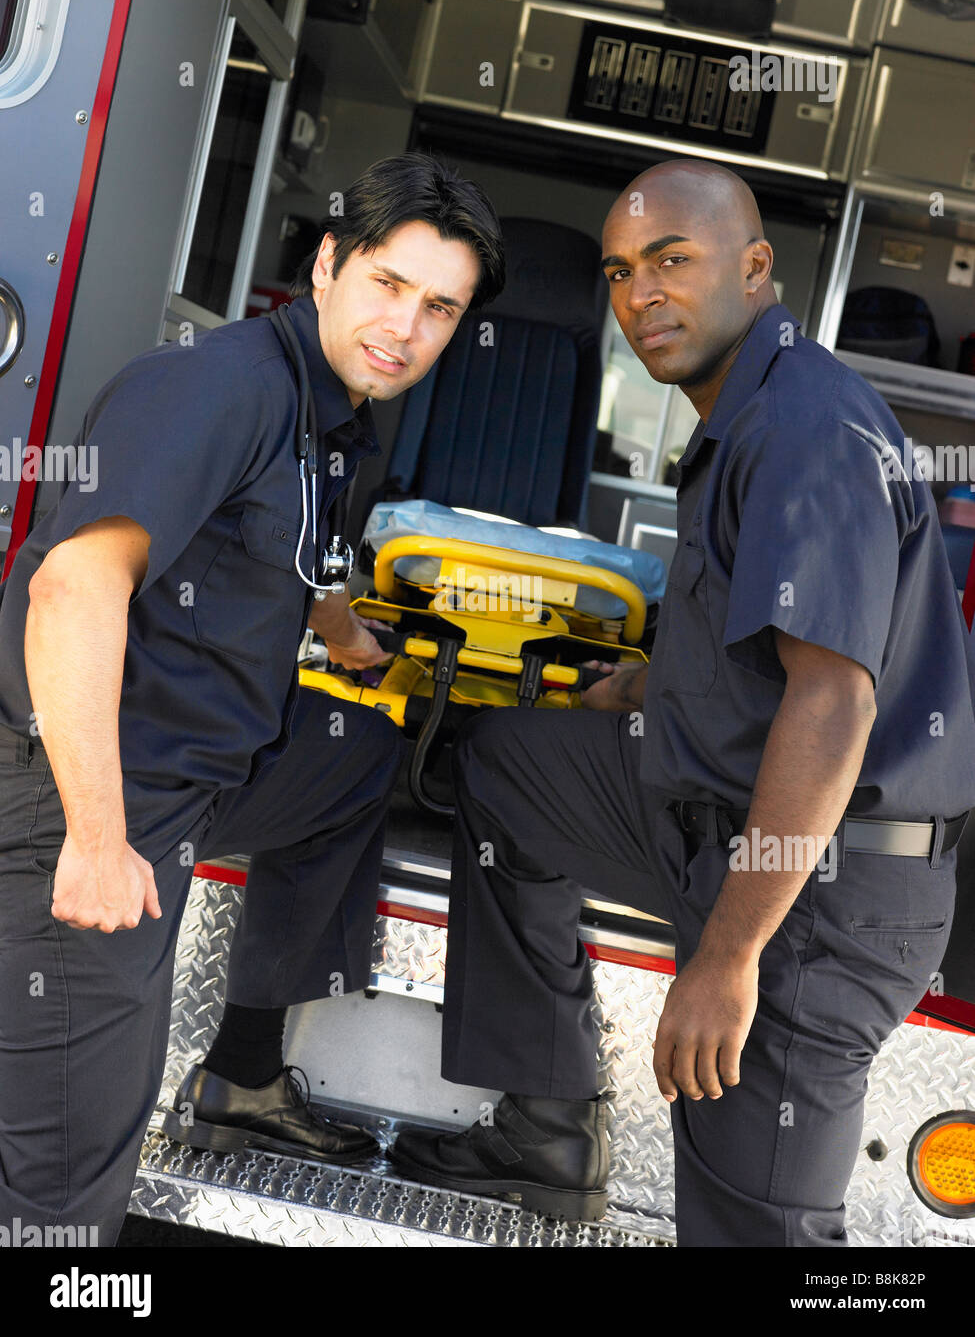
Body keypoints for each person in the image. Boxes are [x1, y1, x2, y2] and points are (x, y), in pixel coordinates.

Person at [387, 158, 975, 1245]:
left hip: (822, 889)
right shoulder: (751, 411)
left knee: (757, 1230)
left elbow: (833, 703)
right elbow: (760, 644)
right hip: (708, 810)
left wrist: (725, 960)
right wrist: (648, 683)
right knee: (508, 761)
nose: (638, 293)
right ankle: (548, 1119)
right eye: (618, 271)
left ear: (756, 269)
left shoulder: (808, 432)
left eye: (671, 260)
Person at [0, 152, 505, 1246]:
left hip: (207, 779)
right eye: (386, 283)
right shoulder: (218, 389)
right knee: (67, 1177)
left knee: (358, 753)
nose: (404, 327)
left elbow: (295, 549)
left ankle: (241, 1060)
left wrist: (341, 633)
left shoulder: (332, 419)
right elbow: (73, 585)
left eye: (438, 308)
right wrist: (94, 834)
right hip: (88, 792)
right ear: (328, 263)